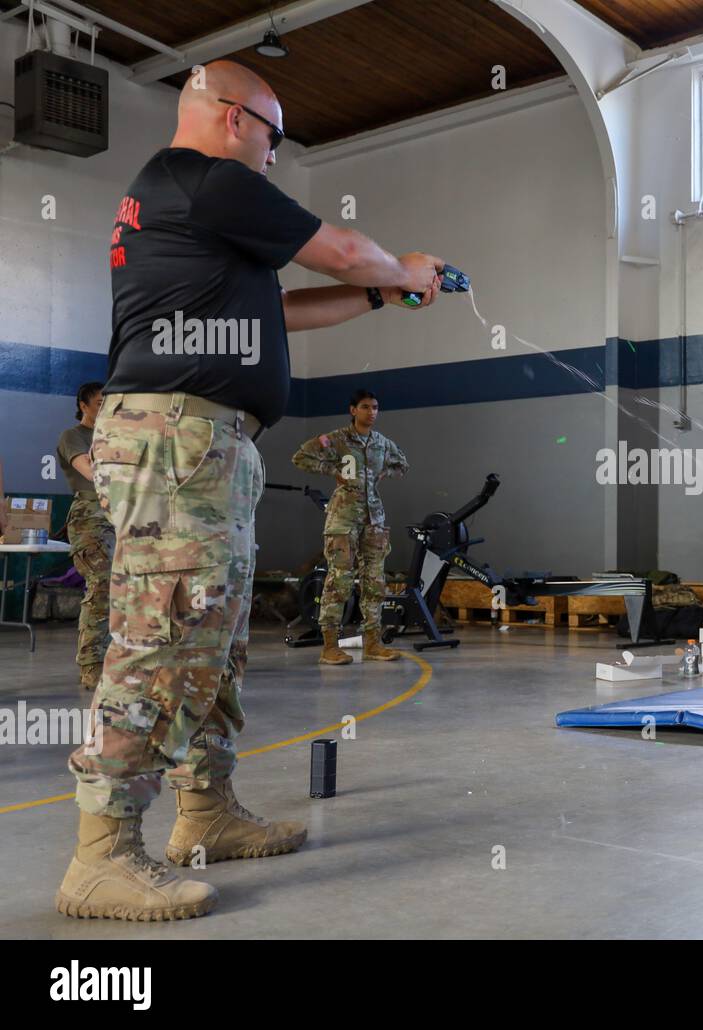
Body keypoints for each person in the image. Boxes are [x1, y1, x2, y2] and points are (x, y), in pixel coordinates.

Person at [59, 59, 446, 921]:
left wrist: (382, 294)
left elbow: (292, 306)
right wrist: (405, 266)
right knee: (160, 636)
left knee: (211, 637)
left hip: (202, 442)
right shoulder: (202, 179)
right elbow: (340, 248)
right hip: (176, 438)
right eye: (273, 139)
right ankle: (101, 855)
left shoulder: (197, 214)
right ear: (235, 119)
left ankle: (206, 814)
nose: (274, 157)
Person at [292, 390, 409, 664]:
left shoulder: (382, 443)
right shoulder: (336, 439)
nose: (372, 412)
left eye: (376, 407)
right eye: (366, 407)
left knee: (375, 582)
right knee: (339, 581)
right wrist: (331, 471)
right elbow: (301, 457)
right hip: (343, 518)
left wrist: (384, 473)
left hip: (374, 519)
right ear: (353, 410)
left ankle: (373, 643)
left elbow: (402, 465)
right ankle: (330, 646)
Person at [57, 382, 115, 690]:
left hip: (121, 516)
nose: (105, 408)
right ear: (84, 405)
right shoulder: (73, 437)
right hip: (90, 517)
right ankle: (92, 666)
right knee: (102, 584)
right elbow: (91, 471)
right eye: (99, 402)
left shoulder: (116, 436)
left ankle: (118, 663)